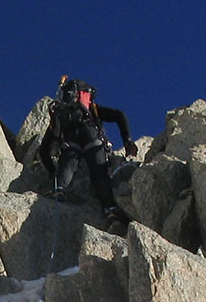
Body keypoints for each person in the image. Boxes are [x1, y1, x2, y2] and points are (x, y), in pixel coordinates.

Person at [38, 76, 138, 225]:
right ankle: (109, 209)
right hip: (92, 137)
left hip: (70, 140)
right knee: (99, 175)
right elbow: (119, 115)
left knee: (68, 162)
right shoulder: (92, 109)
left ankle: (59, 189)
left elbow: (44, 150)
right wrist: (127, 140)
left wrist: (52, 171)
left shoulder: (61, 115)